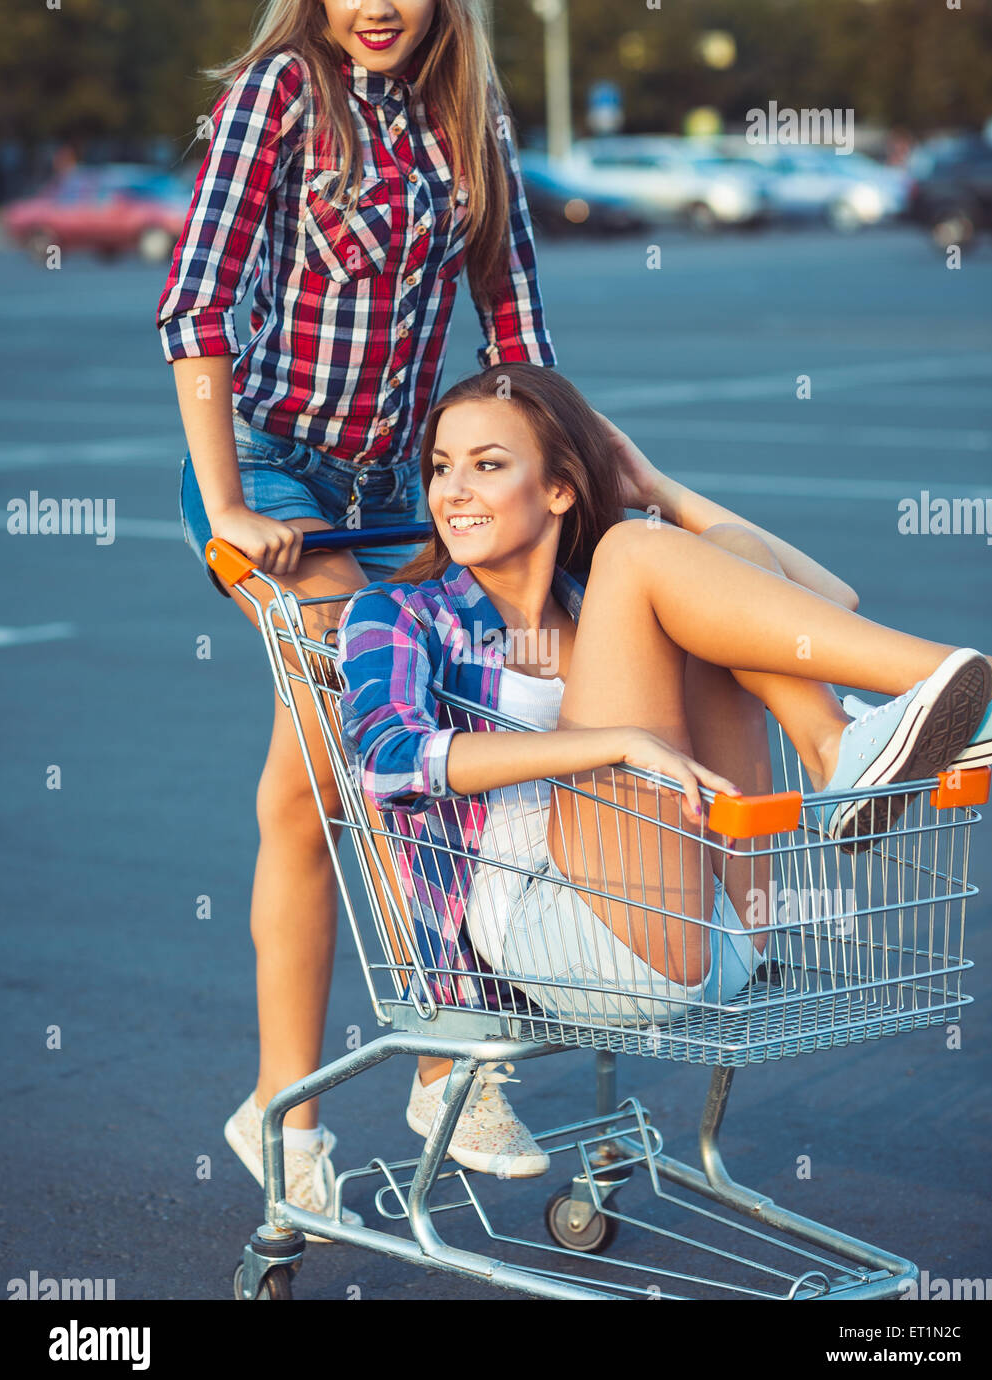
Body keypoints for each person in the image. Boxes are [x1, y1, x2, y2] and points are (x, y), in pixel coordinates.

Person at [336, 363, 992, 1176]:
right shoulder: (402, 614)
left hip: (720, 924)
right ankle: (978, 692)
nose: (453, 491)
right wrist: (613, 742)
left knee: (724, 549)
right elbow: (388, 762)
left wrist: (660, 486)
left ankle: (834, 745)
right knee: (639, 554)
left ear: (559, 489)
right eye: (441, 466)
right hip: (560, 933)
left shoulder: (598, 604)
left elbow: (834, 600)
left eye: (487, 463)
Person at [155, 1, 599, 1229]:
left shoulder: (469, 117)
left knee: (310, 788)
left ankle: (281, 1110)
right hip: (274, 476)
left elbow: (515, 333)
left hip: (404, 487)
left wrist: (566, 495)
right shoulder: (281, 95)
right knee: (392, 736)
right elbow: (194, 304)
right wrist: (232, 505)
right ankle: (447, 1061)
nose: (378, 2)